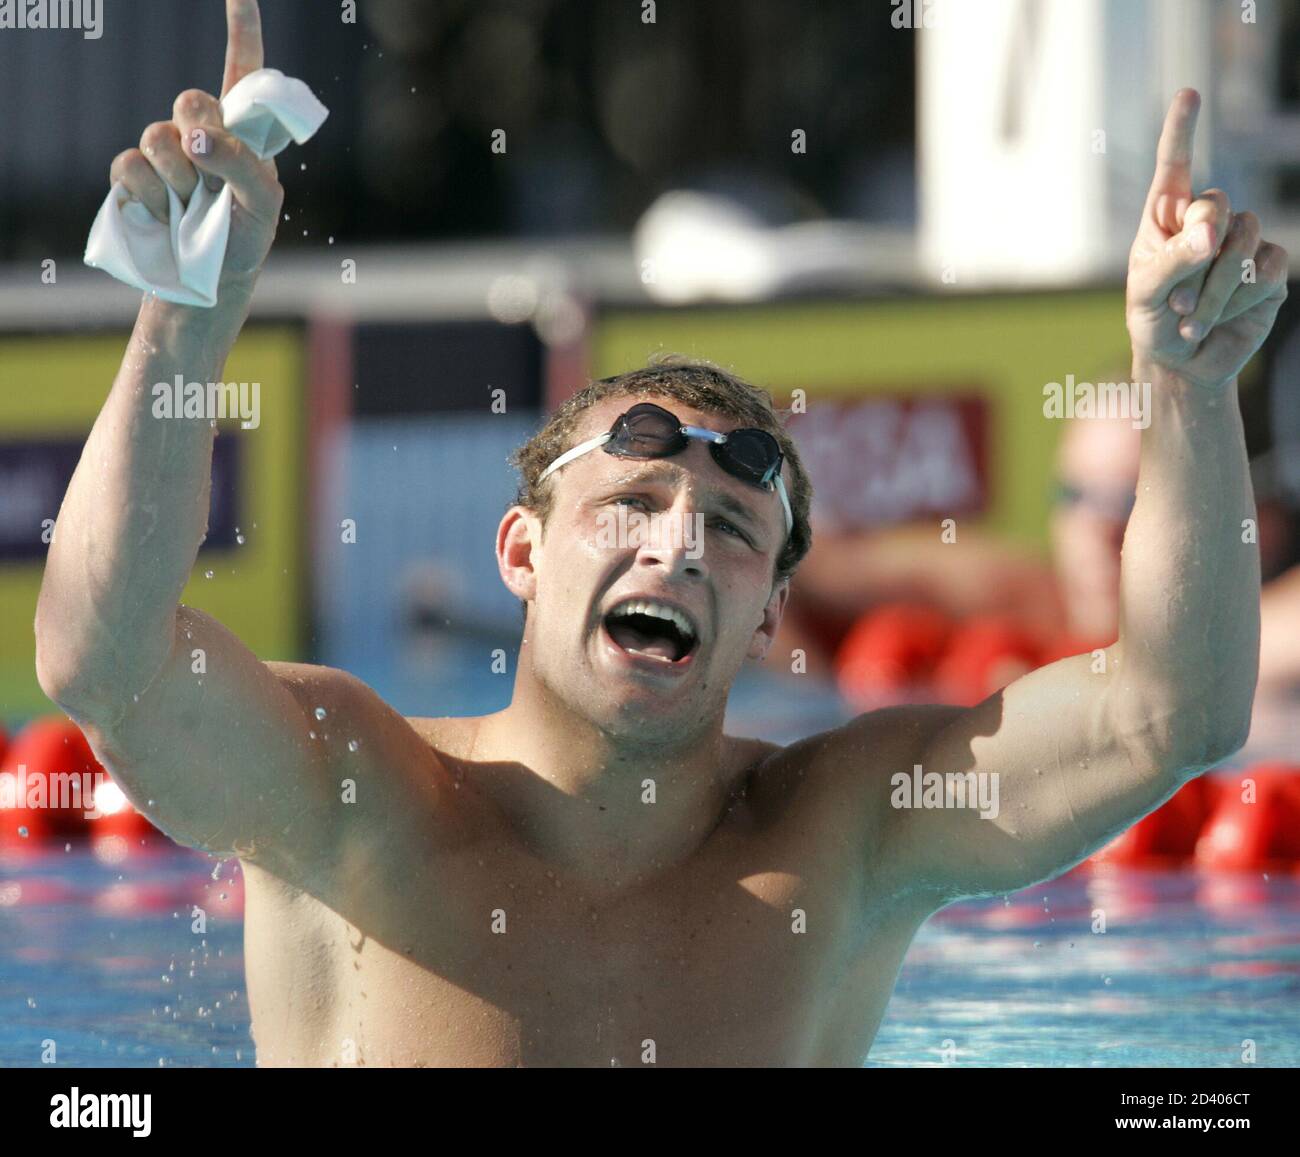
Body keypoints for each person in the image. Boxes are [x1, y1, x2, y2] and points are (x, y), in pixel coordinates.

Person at [34, 0, 1289, 1066]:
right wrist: (183, 326)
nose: (680, 541)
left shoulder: (843, 832)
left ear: (763, 615)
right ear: (520, 552)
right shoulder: (353, 793)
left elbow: (1170, 711)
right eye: (630, 504)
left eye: (734, 527)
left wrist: (1178, 390)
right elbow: (105, 661)